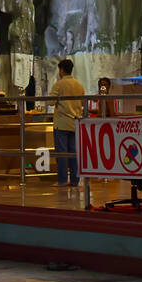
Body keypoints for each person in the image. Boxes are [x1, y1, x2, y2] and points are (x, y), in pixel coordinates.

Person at [50, 59, 86, 187]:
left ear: (61, 70)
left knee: (62, 153)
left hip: (61, 123)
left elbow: (50, 102)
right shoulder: (79, 85)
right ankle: (75, 180)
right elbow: (82, 103)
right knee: (73, 153)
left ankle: (63, 180)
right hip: (75, 123)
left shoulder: (59, 84)